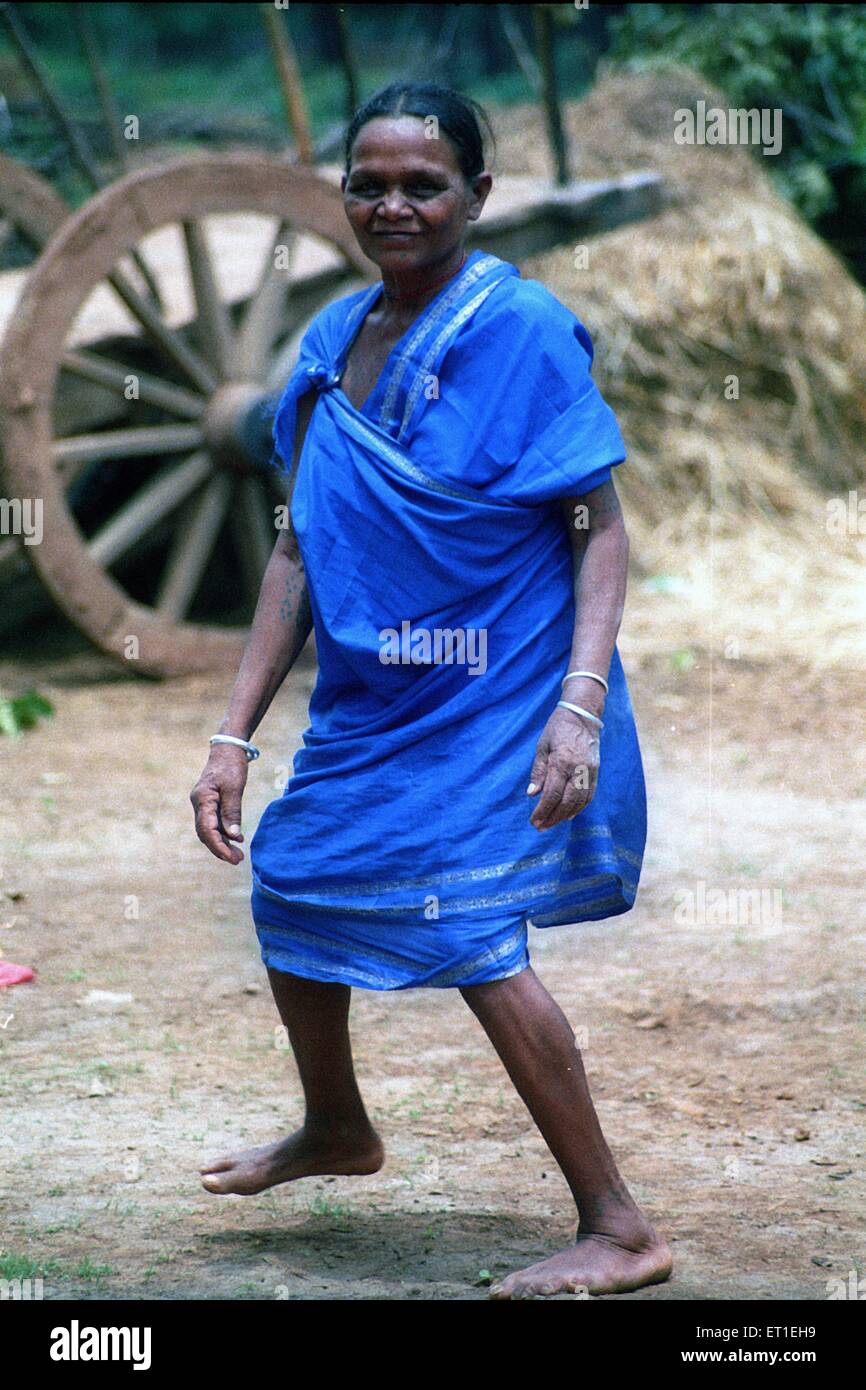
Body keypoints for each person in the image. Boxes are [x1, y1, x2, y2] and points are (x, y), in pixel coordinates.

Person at [189, 81, 672, 1300]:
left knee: (463, 925)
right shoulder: (324, 345)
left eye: (423, 183)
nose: (392, 203)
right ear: (341, 194)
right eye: (369, 182)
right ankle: (336, 1128)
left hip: (498, 686)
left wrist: (578, 703)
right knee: (293, 866)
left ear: (475, 196)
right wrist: (229, 733)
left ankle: (617, 1225)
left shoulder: (520, 330)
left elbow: (595, 528)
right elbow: (299, 547)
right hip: (375, 695)